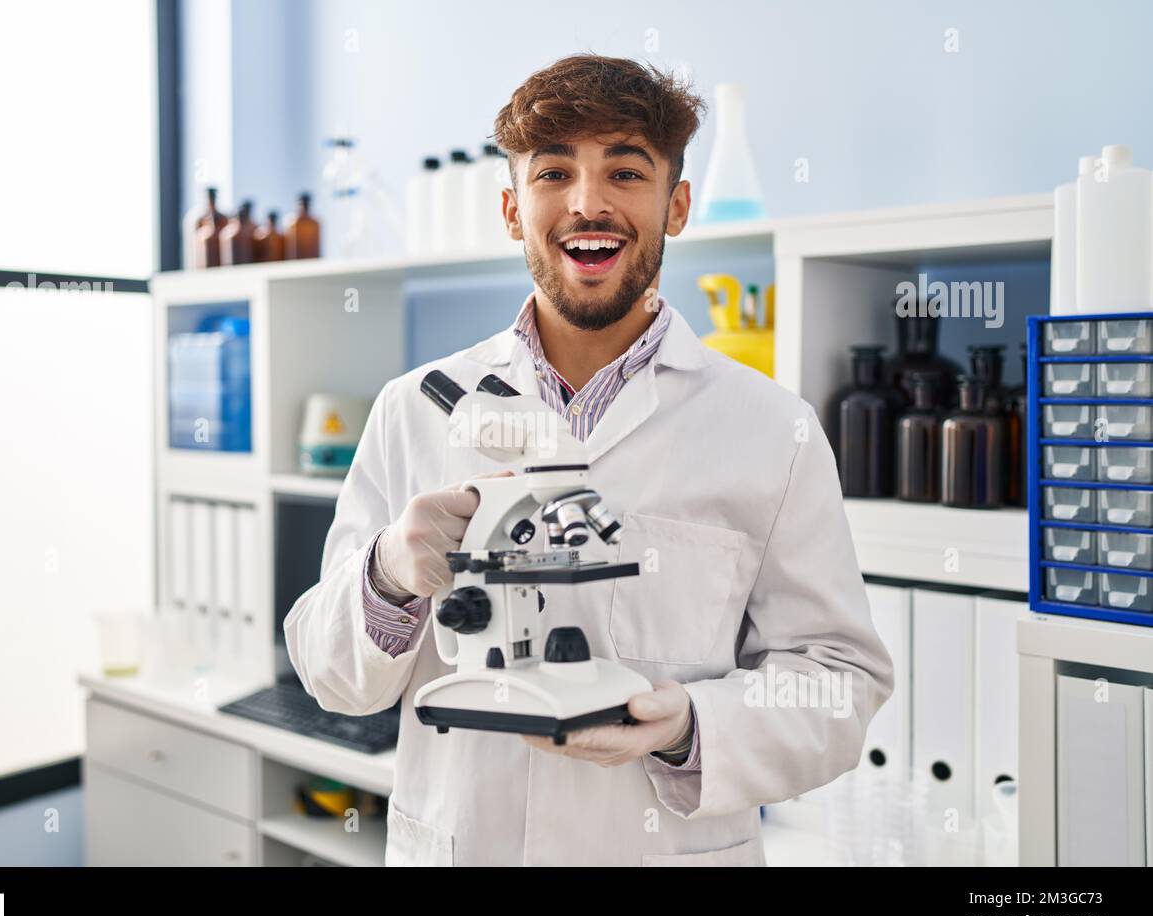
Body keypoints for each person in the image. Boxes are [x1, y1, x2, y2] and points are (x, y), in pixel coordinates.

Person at [284, 53, 893, 866]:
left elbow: (837, 681)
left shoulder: (769, 429)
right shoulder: (414, 409)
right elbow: (335, 680)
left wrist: (687, 728)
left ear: (677, 205)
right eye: (553, 173)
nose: (588, 203)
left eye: (626, 170)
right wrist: (390, 572)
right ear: (511, 209)